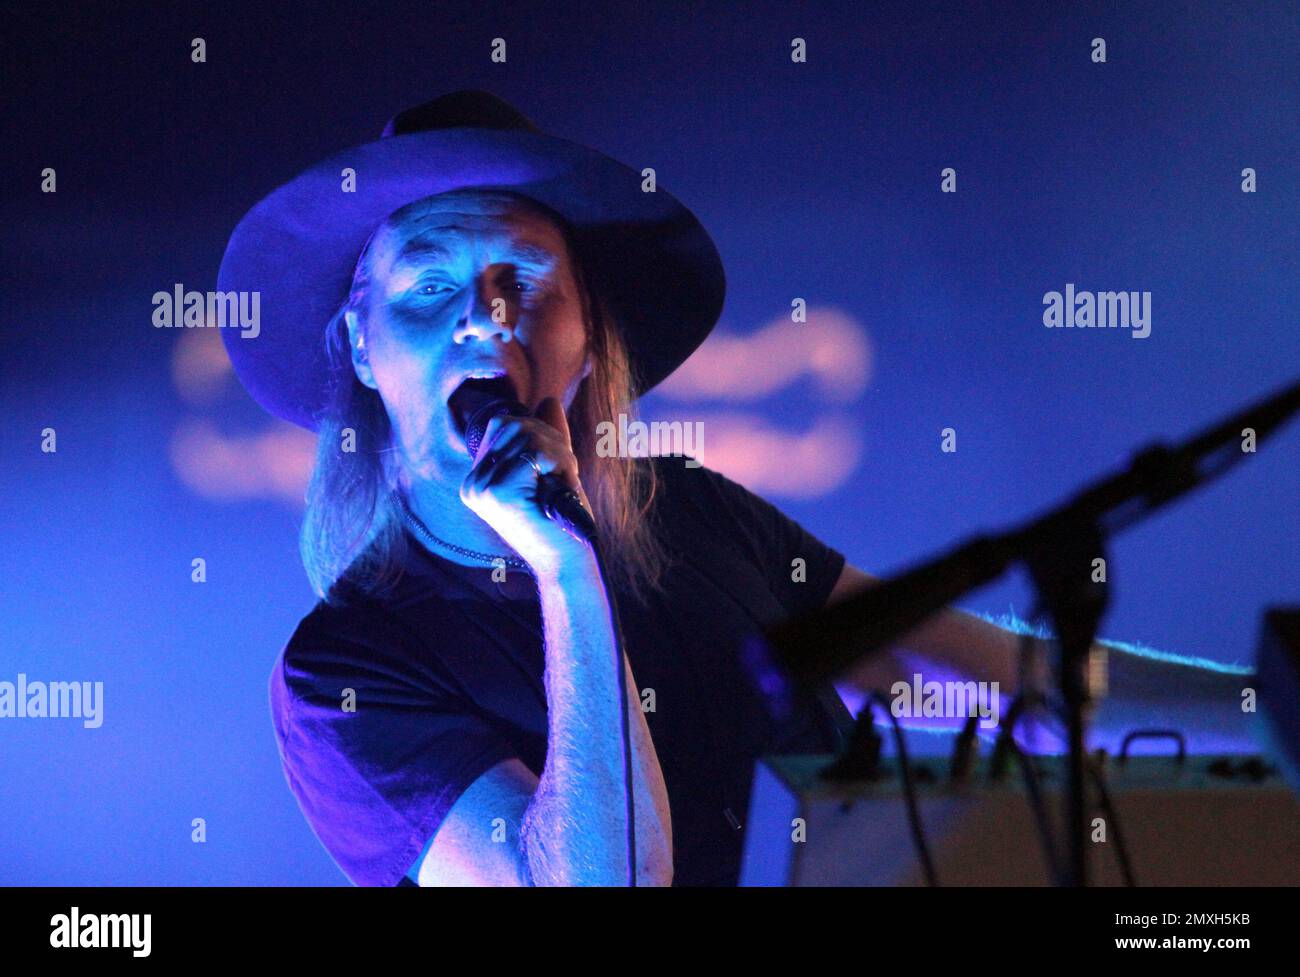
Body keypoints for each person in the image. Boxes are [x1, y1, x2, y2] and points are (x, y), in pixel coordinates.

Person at [219, 90, 1253, 887]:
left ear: (586, 339)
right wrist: (567, 570)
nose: (484, 317)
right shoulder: (344, 673)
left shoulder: (697, 516)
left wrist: (1274, 707)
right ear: (361, 342)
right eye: (433, 284)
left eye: (523, 280)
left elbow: (1009, 692)